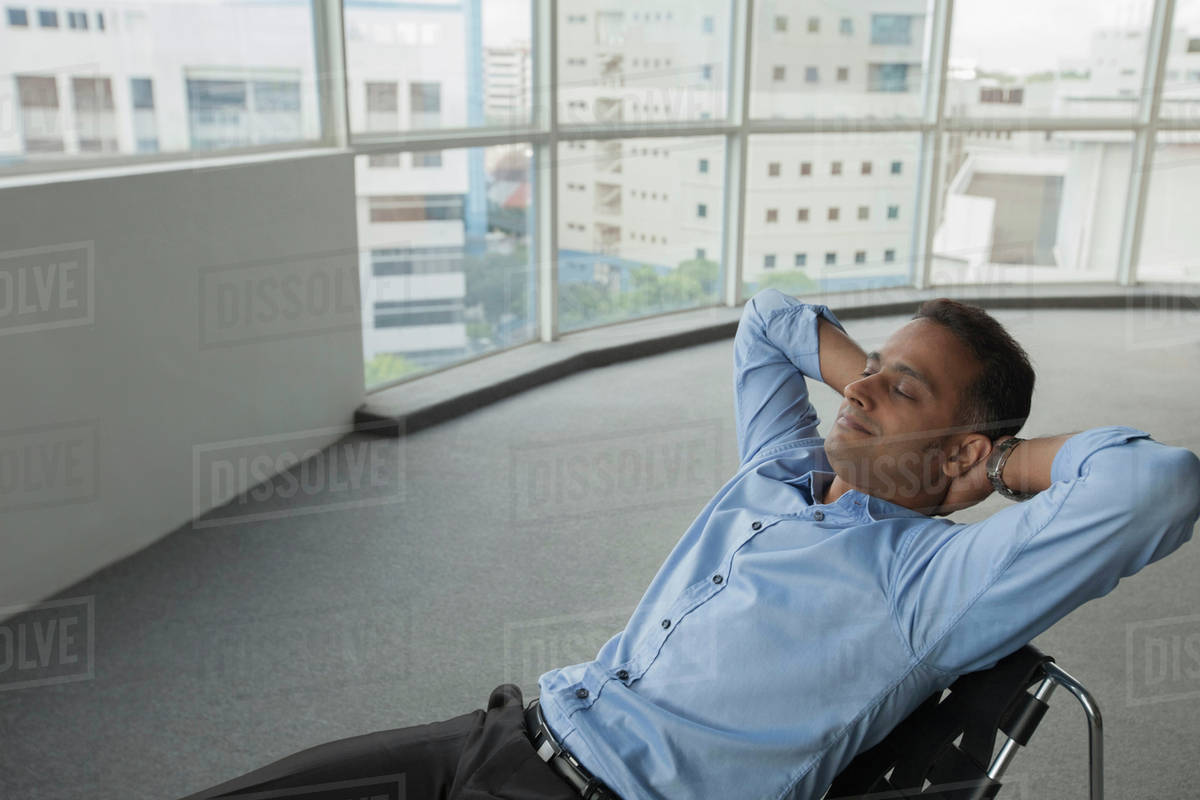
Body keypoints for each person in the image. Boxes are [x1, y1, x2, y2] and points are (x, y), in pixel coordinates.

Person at [179, 289, 1200, 800]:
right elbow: (766, 320)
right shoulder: (781, 465)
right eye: (868, 367)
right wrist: (873, 387)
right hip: (504, 732)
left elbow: (1159, 486)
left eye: (903, 387)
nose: (858, 386)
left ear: (959, 452)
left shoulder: (933, 584)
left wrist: (998, 462)